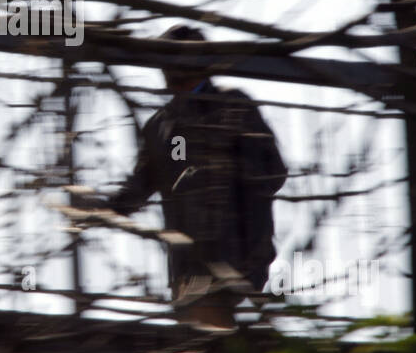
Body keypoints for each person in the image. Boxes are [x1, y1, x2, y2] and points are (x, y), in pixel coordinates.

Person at [94, 26, 286, 331]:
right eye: (165, 59)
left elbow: (272, 172)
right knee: (201, 343)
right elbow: (141, 185)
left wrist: (219, 173)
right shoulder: (162, 125)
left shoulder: (232, 106)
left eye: (174, 58)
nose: (167, 68)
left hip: (240, 254)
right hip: (189, 263)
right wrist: (104, 209)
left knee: (223, 345)